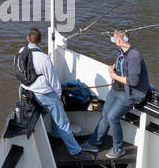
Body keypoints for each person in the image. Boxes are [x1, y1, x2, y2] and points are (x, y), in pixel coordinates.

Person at [18, 29, 90, 158]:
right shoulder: (43, 58)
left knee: (56, 109)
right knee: (63, 121)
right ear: (40, 41)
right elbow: (54, 82)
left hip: (25, 91)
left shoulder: (21, 51)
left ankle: (56, 134)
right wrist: (59, 97)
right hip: (42, 95)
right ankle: (75, 151)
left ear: (27, 39)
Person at [82, 29, 151, 160]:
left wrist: (114, 76)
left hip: (128, 94)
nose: (113, 41)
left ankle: (119, 148)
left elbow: (133, 81)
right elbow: (121, 64)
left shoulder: (134, 56)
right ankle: (94, 143)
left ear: (119, 41)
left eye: (114, 39)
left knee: (112, 117)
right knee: (105, 115)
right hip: (115, 90)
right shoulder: (121, 52)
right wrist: (113, 67)